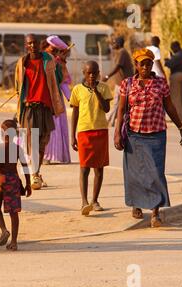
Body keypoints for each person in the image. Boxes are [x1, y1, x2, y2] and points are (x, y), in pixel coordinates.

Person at [114, 48, 182, 227]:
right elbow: (121, 109)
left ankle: (155, 213)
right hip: (133, 134)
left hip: (156, 134)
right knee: (135, 173)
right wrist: (117, 132)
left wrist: (181, 128)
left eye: (148, 63)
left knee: (156, 173)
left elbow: (170, 107)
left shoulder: (161, 84)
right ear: (136, 65)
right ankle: (136, 204)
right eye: (142, 63)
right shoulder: (127, 84)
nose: (145, 66)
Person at [15, 34, 65, 190]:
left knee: (43, 141)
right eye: (29, 43)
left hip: (45, 107)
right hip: (29, 107)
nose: (32, 46)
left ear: (39, 44)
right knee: (32, 142)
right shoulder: (22, 63)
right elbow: (17, 85)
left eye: (35, 43)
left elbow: (58, 79)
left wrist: (60, 64)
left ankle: (37, 171)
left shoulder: (48, 60)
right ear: (26, 46)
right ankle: (34, 174)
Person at [70, 61, 113, 216]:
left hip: (100, 131)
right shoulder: (77, 89)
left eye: (95, 73)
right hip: (84, 131)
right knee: (84, 168)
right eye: (89, 73)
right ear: (84, 73)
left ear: (99, 73)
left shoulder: (104, 88)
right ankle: (84, 201)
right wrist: (72, 135)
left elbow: (106, 108)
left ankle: (95, 200)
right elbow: (74, 113)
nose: (92, 76)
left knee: (99, 168)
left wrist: (97, 92)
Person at [0, 119, 32, 251]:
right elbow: (25, 168)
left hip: (1, 181)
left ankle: (4, 230)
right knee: (14, 214)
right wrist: (28, 184)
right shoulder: (18, 149)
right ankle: (14, 242)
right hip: (14, 182)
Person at [42, 35, 71, 165]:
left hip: (55, 98)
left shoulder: (58, 63)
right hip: (43, 96)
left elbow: (63, 83)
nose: (53, 52)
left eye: (56, 50)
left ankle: (52, 155)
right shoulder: (41, 58)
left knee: (55, 125)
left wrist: (72, 98)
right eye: (52, 49)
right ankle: (44, 155)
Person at [103, 36, 134, 127]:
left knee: (118, 103)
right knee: (118, 103)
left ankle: (109, 121)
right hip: (120, 83)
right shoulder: (119, 52)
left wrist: (107, 76)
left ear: (119, 44)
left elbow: (118, 67)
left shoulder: (122, 52)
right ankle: (111, 121)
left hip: (124, 83)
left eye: (114, 42)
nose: (112, 44)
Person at [165, 41, 182, 122]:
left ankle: (179, 117)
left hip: (176, 76)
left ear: (176, 47)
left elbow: (169, 64)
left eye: (172, 48)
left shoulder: (177, 56)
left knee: (176, 97)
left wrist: (167, 60)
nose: (172, 50)